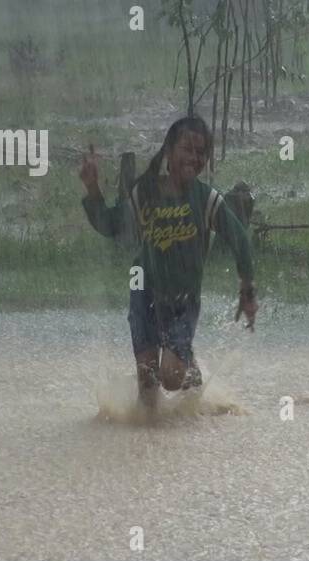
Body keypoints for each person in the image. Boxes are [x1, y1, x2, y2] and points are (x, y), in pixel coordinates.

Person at [79, 116, 257, 409]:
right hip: (144, 291)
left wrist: (247, 290)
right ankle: (147, 446)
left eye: (201, 153)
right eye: (187, 149)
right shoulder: (146, 193)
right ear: (169, 151)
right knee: (148, 381)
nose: (194, 158)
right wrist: (93, 189)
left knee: (172, 378)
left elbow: (240, 238)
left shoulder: (206, 200)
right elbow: (112, 225)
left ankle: (190, 372)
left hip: (183, 300)